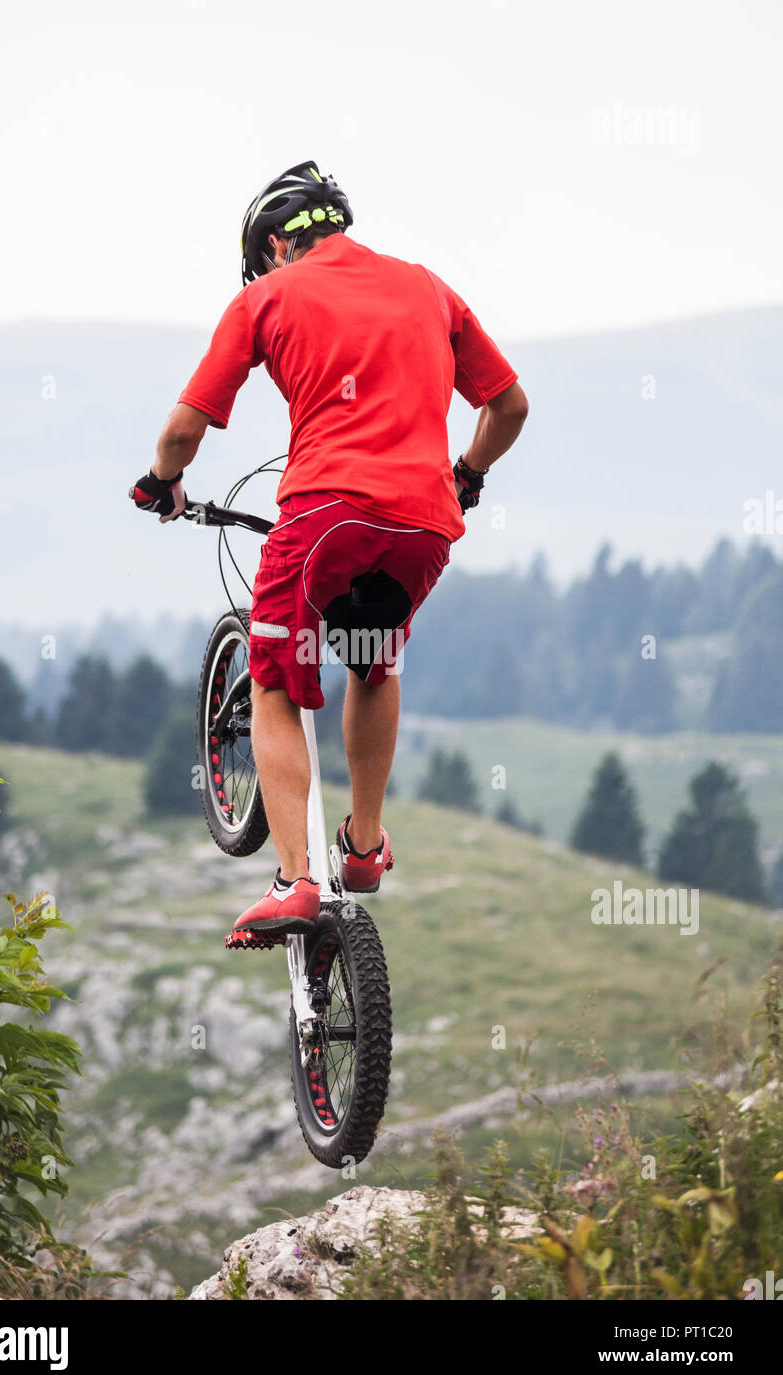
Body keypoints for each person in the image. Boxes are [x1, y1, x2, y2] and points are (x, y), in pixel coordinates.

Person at [131, 160, 528, 948]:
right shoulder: (428, 288)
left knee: (276, 679)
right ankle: (365, 846)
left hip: (324, 516)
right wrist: (468, 475)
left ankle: (293, 880)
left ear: (278, 244)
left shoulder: (267, 297)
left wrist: (161, 482)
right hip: (424, 523)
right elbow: (508, 405)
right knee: (370, 658)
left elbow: (183, 430)